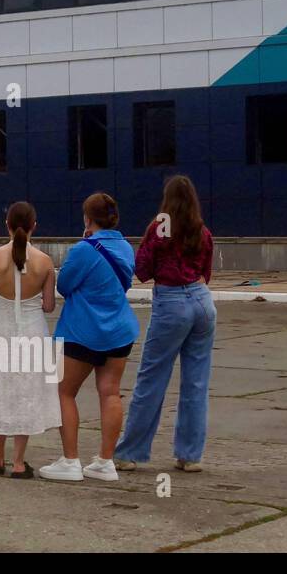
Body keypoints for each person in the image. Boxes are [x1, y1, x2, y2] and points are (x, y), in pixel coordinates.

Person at [115, 175, 217, 473]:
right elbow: (206, 273)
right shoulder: (203, 231)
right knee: (196, 382)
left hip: (171, 302)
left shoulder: (159, 228)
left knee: (152, 378)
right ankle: (190, 455)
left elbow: (142, 270)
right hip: (203, 302)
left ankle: (130, 452)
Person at [38, 192, 139, 483]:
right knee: (110, 392)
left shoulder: (84, 249)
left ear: (87, 218)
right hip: (119, 331)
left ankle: (70, 460)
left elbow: (65, 285)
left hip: (81, 332)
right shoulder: (125, 247)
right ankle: (105, 462)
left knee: (64, 391)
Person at [0, 201, 61, 478]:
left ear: (6, 225)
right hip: (33, 336)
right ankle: (19, 463)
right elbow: (48, 306)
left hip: (1, 336)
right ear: (34, 226)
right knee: (26, 396)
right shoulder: (45, 262)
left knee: (0, 394)